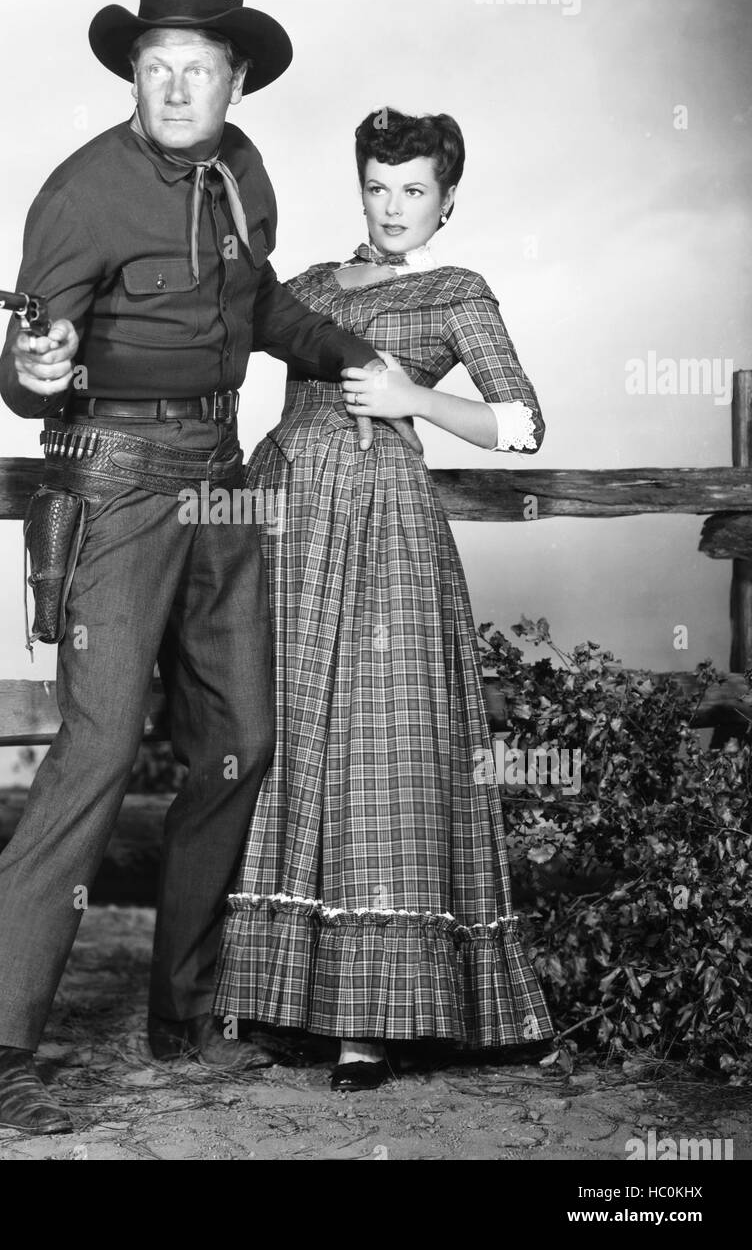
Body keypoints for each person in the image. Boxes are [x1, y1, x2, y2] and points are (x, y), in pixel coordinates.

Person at [0, 0, 405, 1132]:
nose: (173, 83)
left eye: (196, 65)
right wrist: (33, 371)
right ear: (133, 69)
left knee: (237, 742)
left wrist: (352, 356)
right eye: (154, 63)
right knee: (99, 748)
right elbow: (27, 360)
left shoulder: (245, 173)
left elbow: (254, 312)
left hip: (221, 477)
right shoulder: (81, 191)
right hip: (112, 482)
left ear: (234, 76)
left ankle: (181, 1011)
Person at [214, 109, 555, 1091]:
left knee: (379, 749)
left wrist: (415, 399)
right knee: (279, 736)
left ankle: (369, 1024)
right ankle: (277, 998)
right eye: (377, 185)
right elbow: (217, 327)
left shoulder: (454, 291)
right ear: (359, 186)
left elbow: (519, 425)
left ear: (446, 201)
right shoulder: (311, 287)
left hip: (385, 531)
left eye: (413, 189)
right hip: (284, 522)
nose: (393, 205)